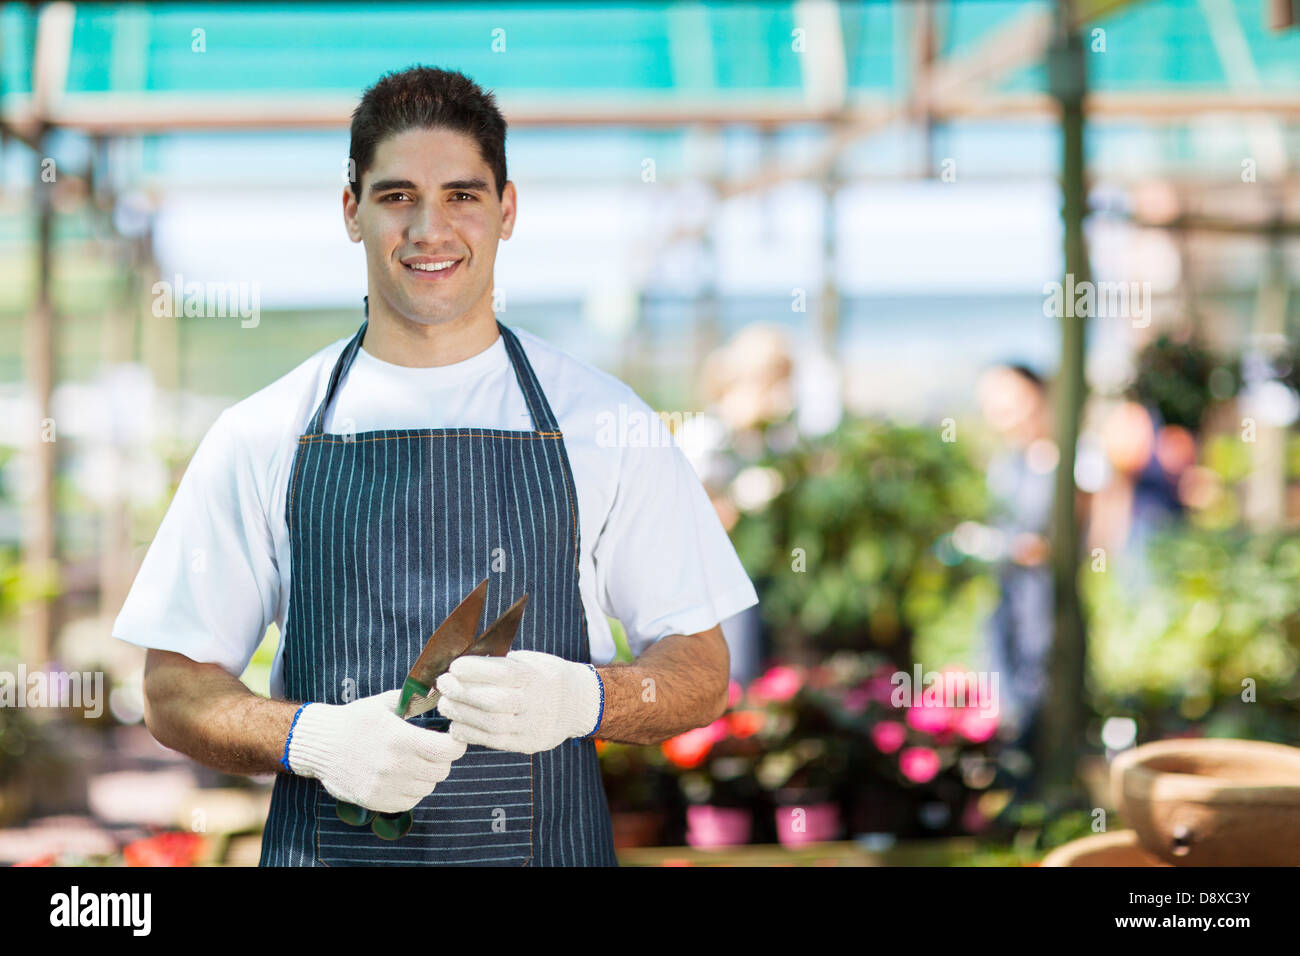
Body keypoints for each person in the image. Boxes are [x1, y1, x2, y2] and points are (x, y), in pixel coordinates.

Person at [113, 66, 758, 866]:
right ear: (351, 211)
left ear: (506, 210)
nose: (429, 229)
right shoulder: (261, 433)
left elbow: (700, 669)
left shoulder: (606, 423)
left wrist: (585, 697)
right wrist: (310, 738)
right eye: (395, 197)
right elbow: (173, 690)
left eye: (462, 195)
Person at [975, 363, 1056, 781]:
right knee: (1002, 681)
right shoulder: (1005, 462)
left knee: (1037, 684)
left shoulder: (1059, 458)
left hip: (1043, 596)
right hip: (1007, 592)